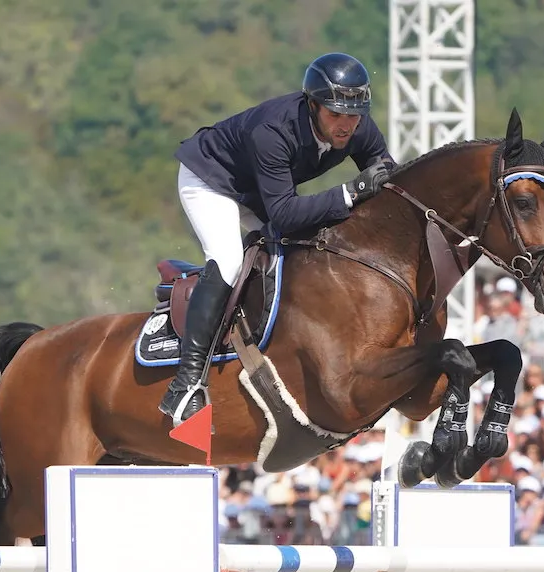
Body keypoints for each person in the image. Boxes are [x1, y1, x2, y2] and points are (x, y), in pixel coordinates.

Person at [161, 52, 397, 426]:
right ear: (313, 105)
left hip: (260, 191)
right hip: (211, 179)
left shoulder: (359, 127)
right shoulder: (273, 131)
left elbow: (389, 182)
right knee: (228, 260)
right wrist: (349, 193)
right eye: (335, 114)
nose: (346, 125)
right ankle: (186, 382)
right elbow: (285, 216)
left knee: (309, 250)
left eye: (353, 115)